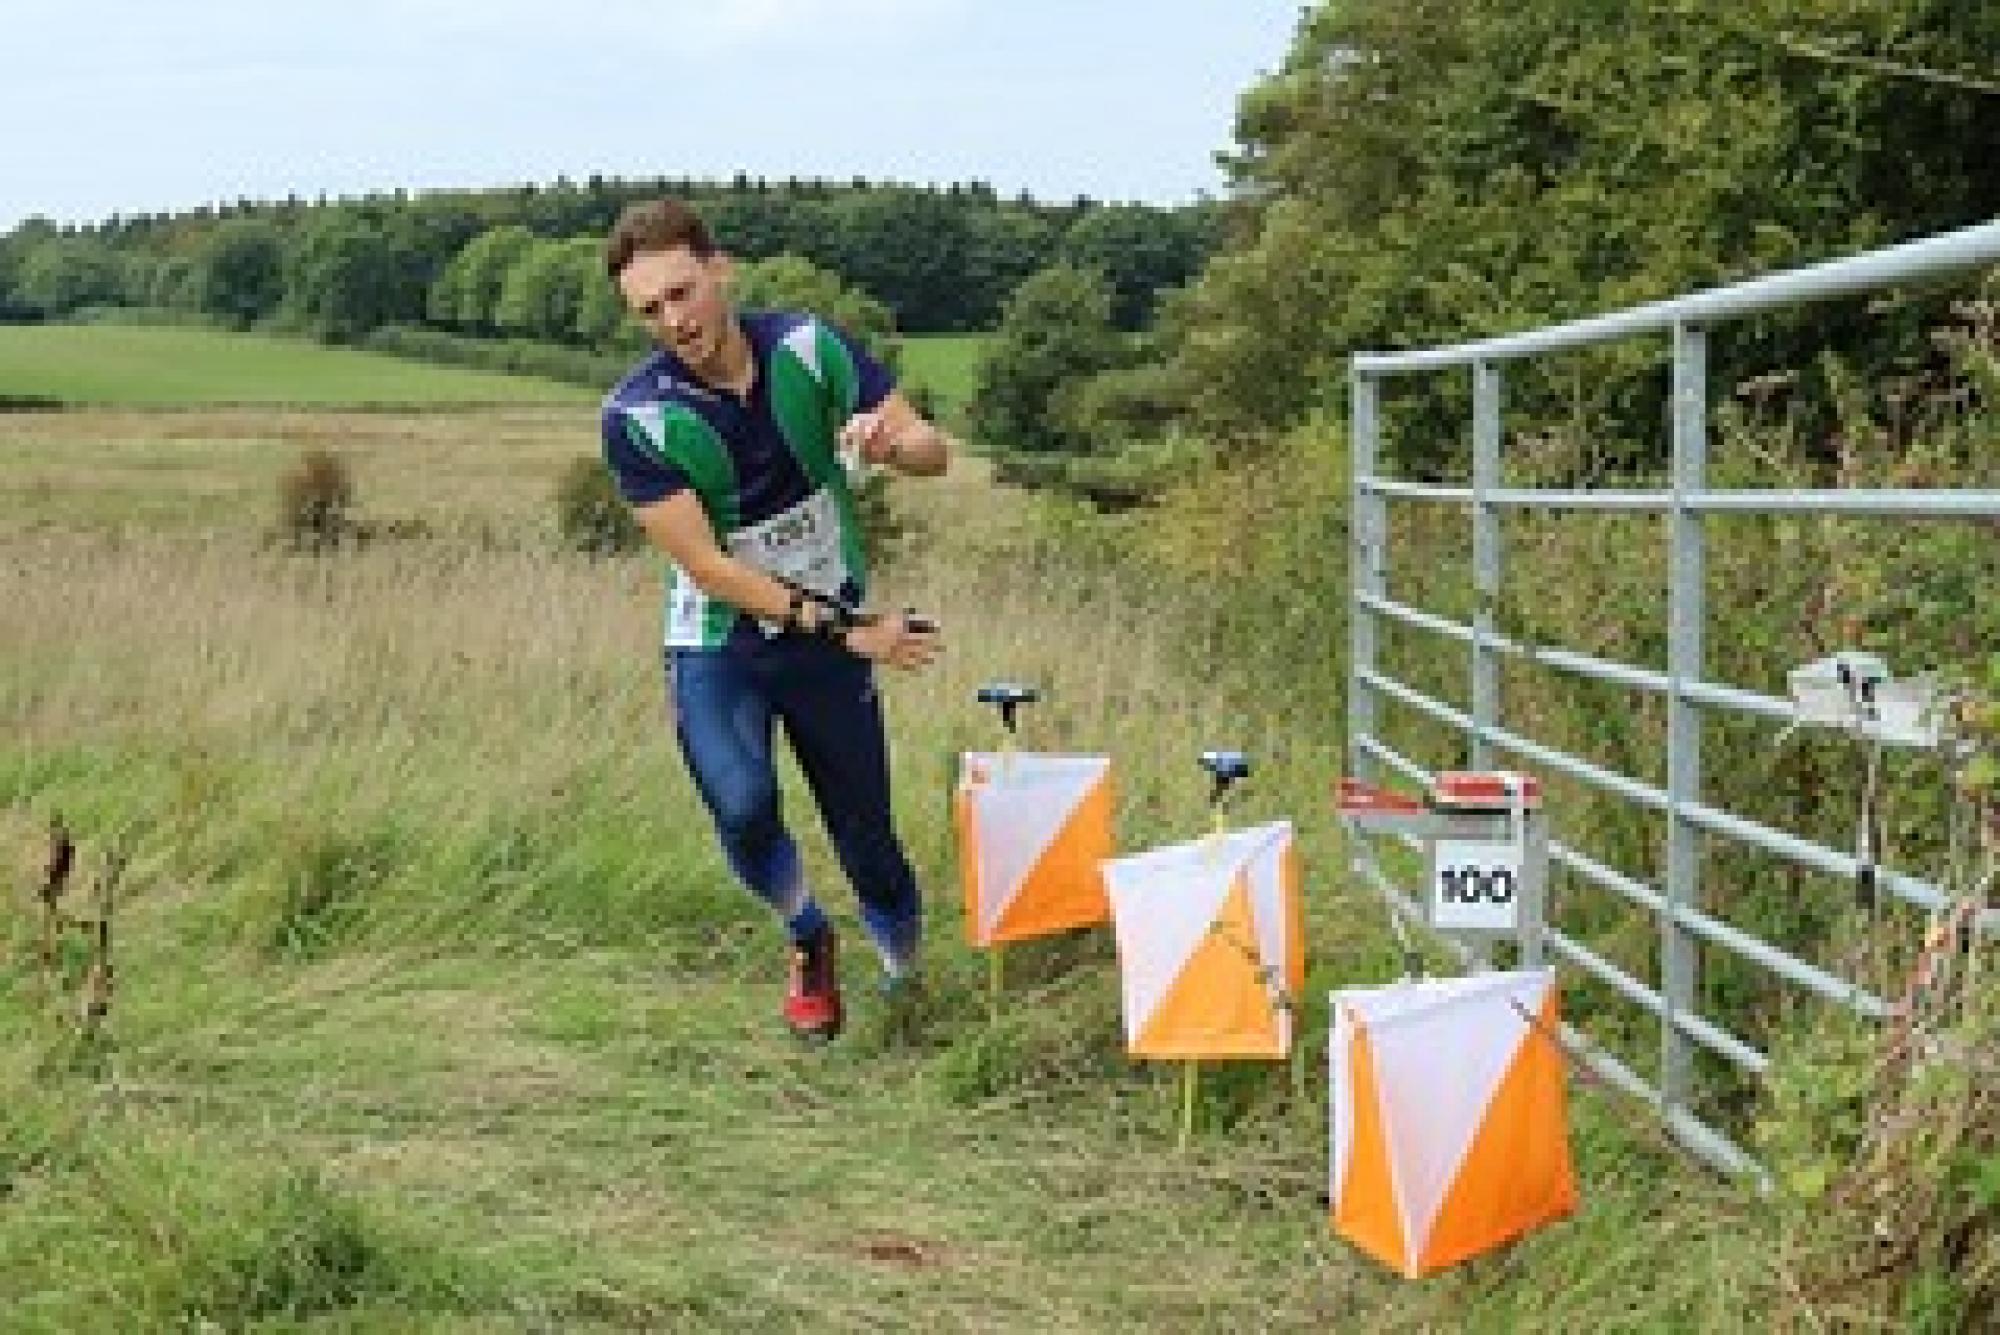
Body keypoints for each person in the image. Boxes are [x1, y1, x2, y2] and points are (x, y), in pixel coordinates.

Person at [599, 198, 952, 1041]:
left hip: (827, 642)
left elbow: (933, 450)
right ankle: (807, 935)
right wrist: (849, 629)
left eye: (681, 293)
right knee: (743, 803)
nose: (673, 321)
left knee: (869, 840)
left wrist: (891, 446)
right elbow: (710, 569)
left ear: (720, 269)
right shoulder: (636, 419)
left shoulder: (807, 346)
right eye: (648, 311)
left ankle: (904, 982)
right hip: (723, 644)